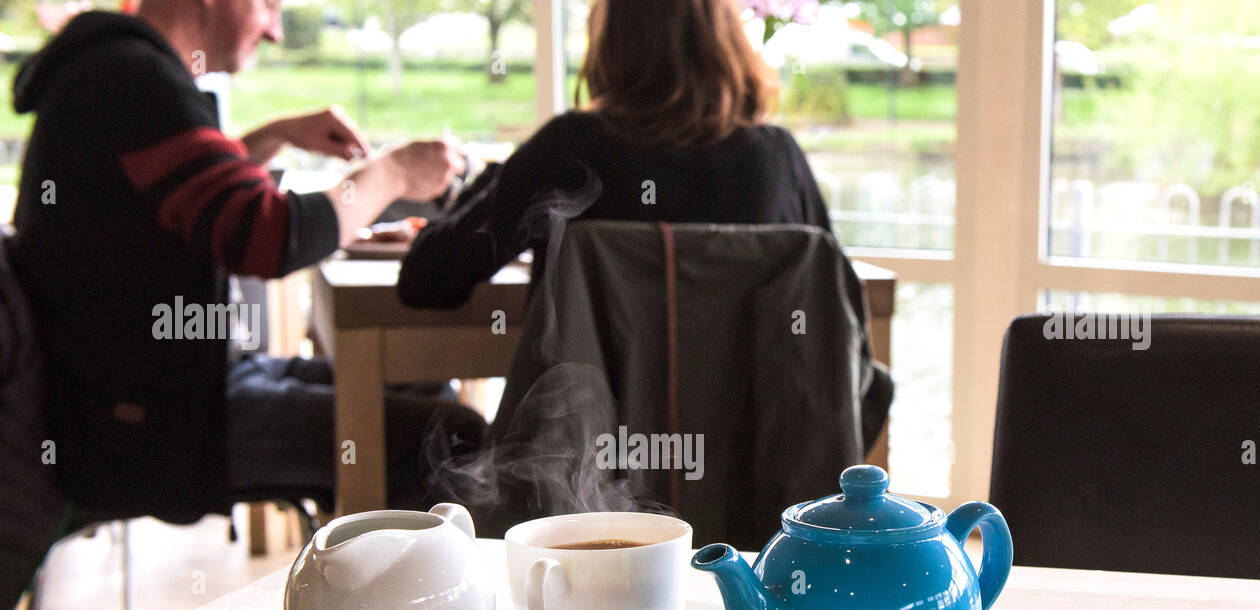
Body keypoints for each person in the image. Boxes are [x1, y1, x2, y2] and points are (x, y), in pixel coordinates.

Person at [10, 0, 484, 523]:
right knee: (452, 439)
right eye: (270, 5)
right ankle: (378, 593)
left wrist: (271, 137)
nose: (276, 31)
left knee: (419, 382)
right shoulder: (134, 79)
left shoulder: (112, 68)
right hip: (150, 425)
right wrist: (393, 172)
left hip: (160, 388)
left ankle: (362, 574)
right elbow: (271, 236)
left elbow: (178, 196)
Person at [397, 0, 831, 310]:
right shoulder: (777, 159)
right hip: (749, 436)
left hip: (587, 438)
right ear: (724, 36)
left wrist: (500, 176)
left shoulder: (570, 150)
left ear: (610, 36)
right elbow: (836, 315)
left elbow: (426, 281)